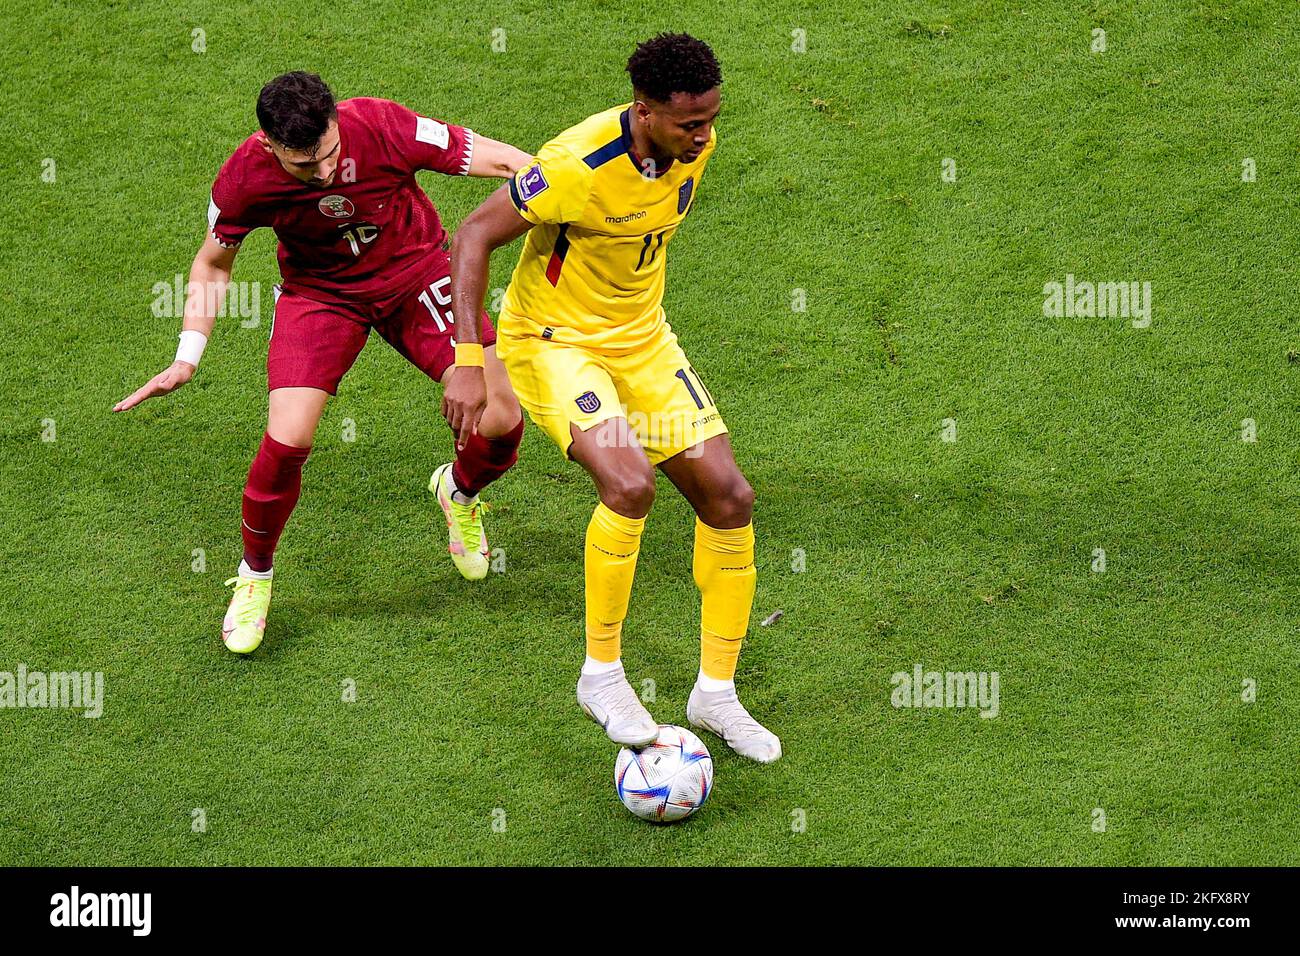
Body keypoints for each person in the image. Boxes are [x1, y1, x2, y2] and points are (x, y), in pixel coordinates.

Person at [443, 35, 780, 762]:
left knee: (730, 496)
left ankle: (714, 695)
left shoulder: (693, 145)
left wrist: (695, 140)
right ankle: (601, 676)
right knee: (629, 485)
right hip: (554, 341)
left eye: (713, 119)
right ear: (644, 113)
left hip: (642, 339)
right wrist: (471, 357)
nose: (706, 135)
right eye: (690, 124)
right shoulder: (573, 166)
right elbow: (472, 234)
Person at [115, 72, 529, 654]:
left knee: (503, 416)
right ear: (267, 146)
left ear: (337, 120)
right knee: (286, 440)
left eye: (330, 155)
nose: (325, 173)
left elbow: (493, 158)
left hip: (417, 272)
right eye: (303, 168)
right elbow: (213, 264)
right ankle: (255, 578)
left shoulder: (382, 124)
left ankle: (457, 493)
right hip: (321, 294)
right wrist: (187, 356)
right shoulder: (245, 176)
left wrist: (559, 183)